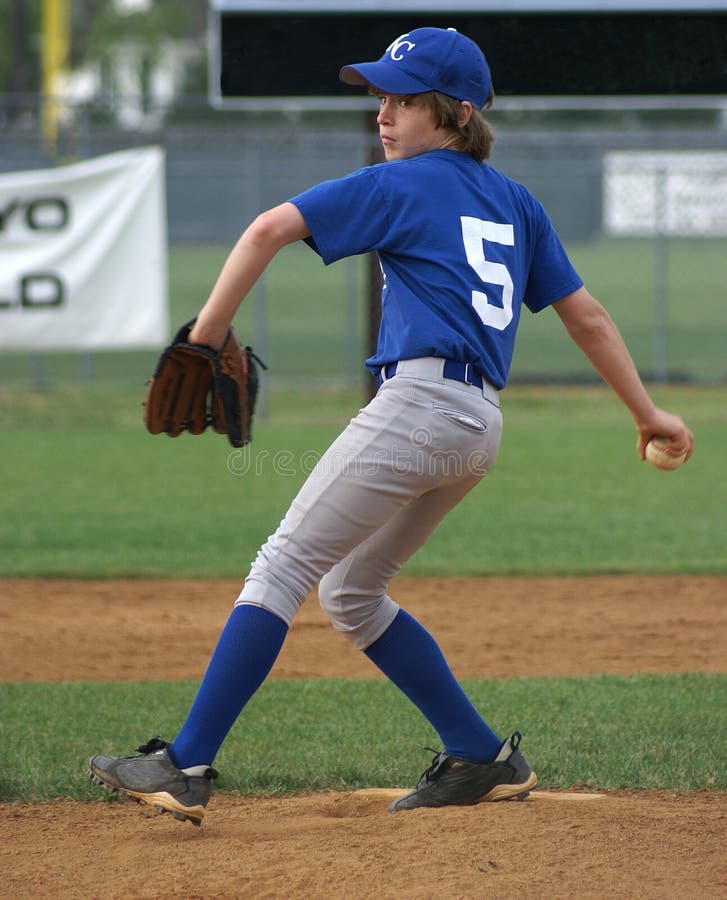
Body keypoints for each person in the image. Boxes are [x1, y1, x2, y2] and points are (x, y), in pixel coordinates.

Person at [88, 27, 693, 825]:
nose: (383, 114)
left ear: (458, 113)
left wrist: (204, 340)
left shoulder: (399, 183)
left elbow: (266, 229)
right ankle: (477, 754)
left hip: (420, 408)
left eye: (405, 100)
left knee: (282, 565)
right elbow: (587, 317)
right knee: (350, 591)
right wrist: (646, 413)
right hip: (476, 425)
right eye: (380, 97)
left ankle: (186, 762)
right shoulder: (516, 203)